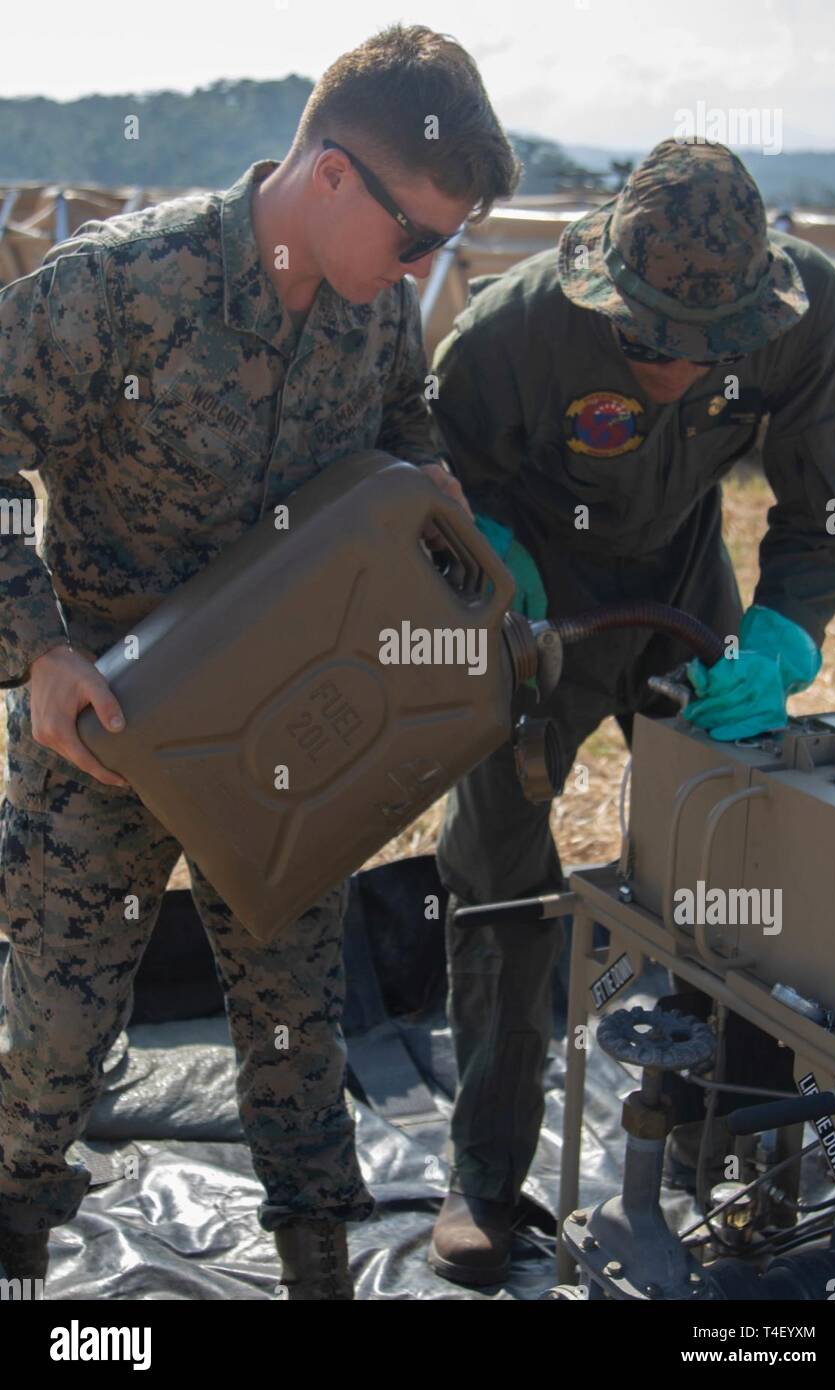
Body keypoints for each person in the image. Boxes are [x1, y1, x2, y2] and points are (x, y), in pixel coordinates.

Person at [0, 24, 518, 1300]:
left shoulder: (373, 306)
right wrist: (42, 652)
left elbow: (405, 418)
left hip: (289, 741)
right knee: (58, 1038)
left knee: (296, 1027)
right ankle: (13, 1219)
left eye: (438, 248)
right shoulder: (122, 286)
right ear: (331, 175)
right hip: (110, 737)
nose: (424, 266)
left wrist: (426, 477)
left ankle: (318, 1262)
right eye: (415, 237)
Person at [426, 137, 835, 1285]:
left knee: (735, 843)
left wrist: (781, 634)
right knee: (500, 876)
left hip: (681, 592)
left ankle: (713, 1135)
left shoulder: (805, 310)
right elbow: (425, 473)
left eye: (703, 353)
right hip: (530, 613)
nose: (673, 373)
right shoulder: (505, 334)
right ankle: (482, 1174)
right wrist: (486, 557)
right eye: (646, 345)